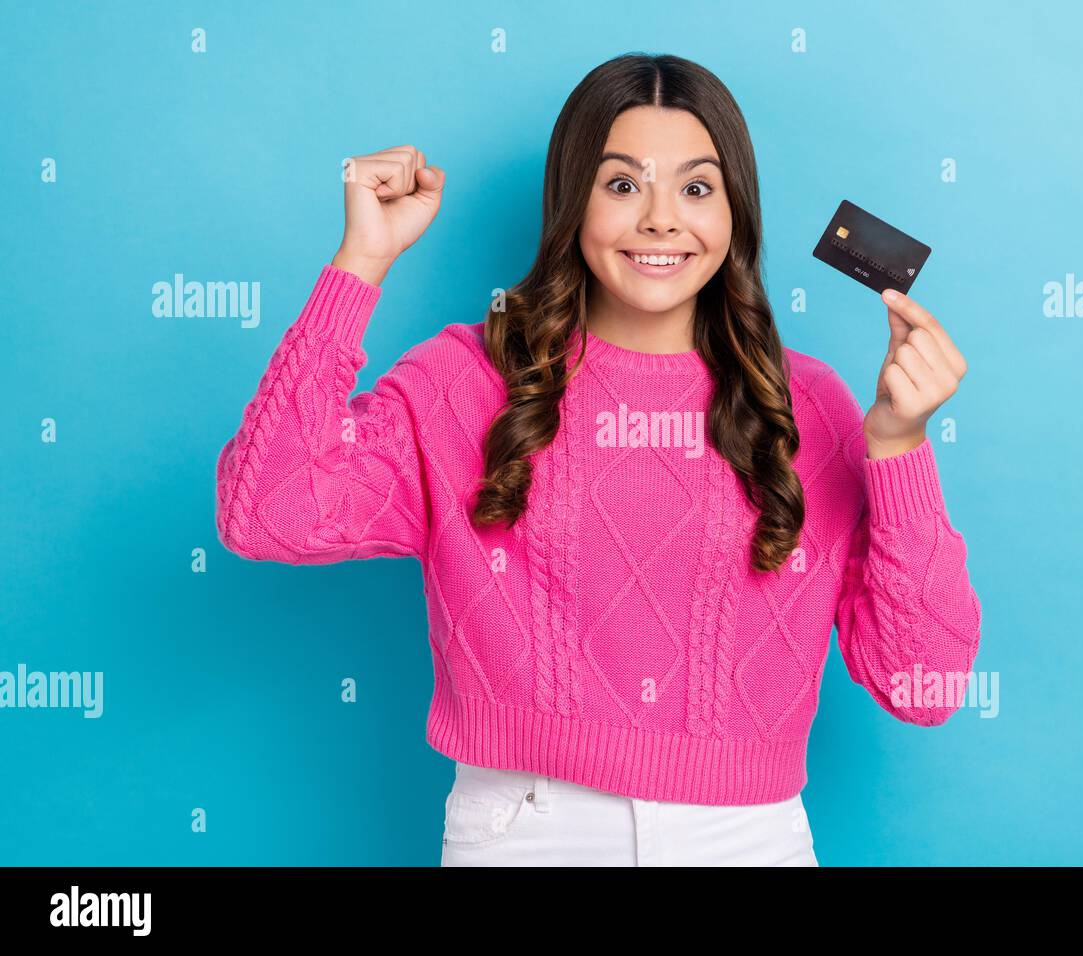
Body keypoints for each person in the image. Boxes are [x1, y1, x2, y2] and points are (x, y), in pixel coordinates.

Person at [214, 52, 982, 867]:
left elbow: (919, 685)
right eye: (622, 185)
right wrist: (359, 264)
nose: (660, 220)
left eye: (695, 187)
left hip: (746, 840)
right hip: (524, 831)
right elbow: (266, 513)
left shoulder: (814, 408)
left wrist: (898, 448)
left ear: (734, 213)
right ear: (572, 202)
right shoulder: (463, 381)